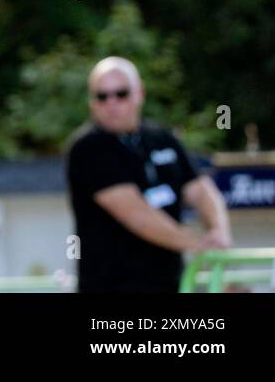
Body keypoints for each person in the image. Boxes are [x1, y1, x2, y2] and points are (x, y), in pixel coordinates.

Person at [64, 57, 232, 292]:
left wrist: (219, 231)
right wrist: (199, 244)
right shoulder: (88, 148)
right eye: (101, 96)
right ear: (92, 102)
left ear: (139, 93)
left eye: (121, 94)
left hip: (169, 285)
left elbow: (202, 190)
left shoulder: (162, 138)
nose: (111, 103)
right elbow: (137, 216)